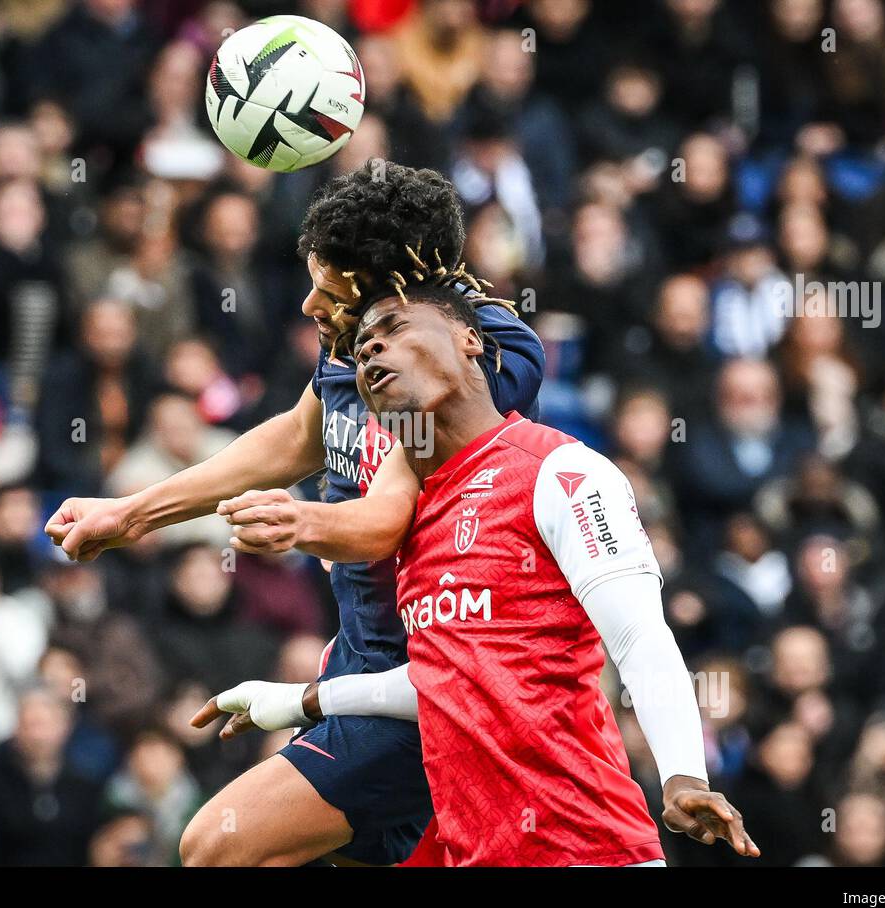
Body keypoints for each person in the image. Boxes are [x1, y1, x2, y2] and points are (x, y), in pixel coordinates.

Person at [44, 163, 545, 866]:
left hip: (436, 680)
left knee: (218, 845)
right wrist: (132, 513)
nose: (311, 304)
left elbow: (388, 517)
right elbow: (295, 438)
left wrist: (301, 524)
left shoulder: (469, 354)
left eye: (328, 288)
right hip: (364, 664)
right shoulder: (357, 343)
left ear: (386, 286)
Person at [198, 271, 757, 865]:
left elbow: (641, 637)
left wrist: (683, 773)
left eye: (393, 328)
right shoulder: (418, 522)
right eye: (361, 351)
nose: (371, 352)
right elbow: (447, 683)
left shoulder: (561, 471)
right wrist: (297, 701)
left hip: (587, 847)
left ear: (470, 339)